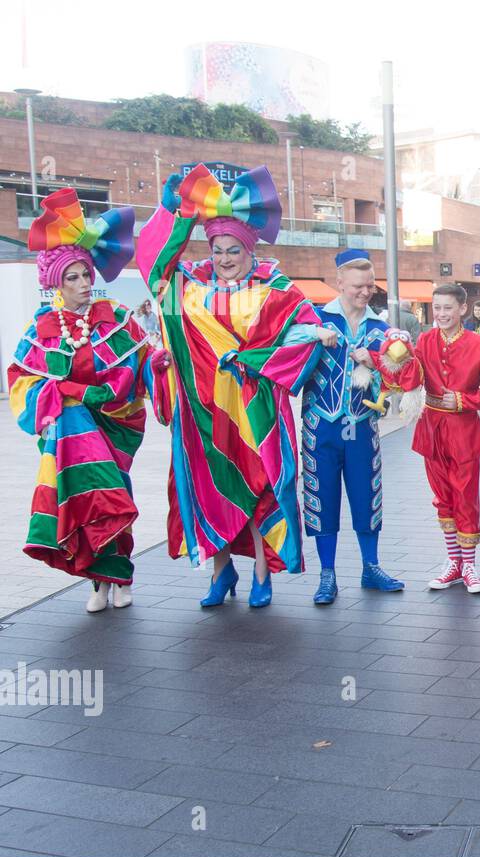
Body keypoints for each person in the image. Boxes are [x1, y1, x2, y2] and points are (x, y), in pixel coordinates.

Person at [136, 164, 335, 609]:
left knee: (260, 487)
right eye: (218, 249)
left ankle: (263, 574)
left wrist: (259, 358)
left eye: (234, 250)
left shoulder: (277, 290)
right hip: (202, 413)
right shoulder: (187, 287)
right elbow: (154, 269)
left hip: (253, 409)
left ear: (249, 250)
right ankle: (221, 572)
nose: (225, 258)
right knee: (211, 487)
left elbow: (307, 333)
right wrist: (176, 212)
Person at [8, 189, 147, 613]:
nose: (84, 283)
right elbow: (21, 381)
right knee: (81, 495)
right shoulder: (43, 328)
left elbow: (135, 366)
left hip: (111, 425)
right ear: (56, 283)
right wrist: (64, 398)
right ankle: (95, 583)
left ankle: (120, 577)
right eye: (73, 277)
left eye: (86, 274)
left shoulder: (114, 316)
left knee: (112, 495)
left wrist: (106, 391)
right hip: (70, 434)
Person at [378, 283, 480, 593]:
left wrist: (464, 401)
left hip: (463, 430)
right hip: (431, 427)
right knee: (442, 497)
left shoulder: (479, 344)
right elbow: (409, 375)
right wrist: (395, 353)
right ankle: (453, 563)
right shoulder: (424, 340)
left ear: (462, 309)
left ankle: (471, 566)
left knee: (465, 497)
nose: (441, 314)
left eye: (448, 308)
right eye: (437, 308)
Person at [300, 249, 404, 605]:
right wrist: (313, 334)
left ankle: (371, 567)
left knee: (366, 497)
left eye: (370, 285)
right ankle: (327, 574)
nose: (365, 292)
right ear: (340, 283)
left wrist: (382, 356)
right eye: (358, 286)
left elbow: (403, 372)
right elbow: (281, 343)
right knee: (320, 498)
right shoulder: (314, 317)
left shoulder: (382, 329)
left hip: (361, 426)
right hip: (321, 426)